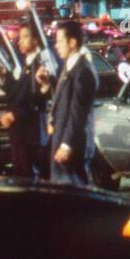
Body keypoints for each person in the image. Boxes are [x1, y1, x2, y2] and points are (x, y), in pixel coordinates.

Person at [41, 20, 98, 185]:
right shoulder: (70, 67)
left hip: (73, 148)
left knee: (74, 198)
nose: (56, 46)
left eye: (59, 41)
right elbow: (64, 101)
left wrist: (67, 145)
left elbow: (77, 113)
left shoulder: (83, 71)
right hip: (63, 143)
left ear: (72, 42)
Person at [0, 25, 49, 179]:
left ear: (36, 40)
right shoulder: (27, 64)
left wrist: (15, 115)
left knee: (30, 177)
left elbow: (37, 100)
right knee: (22, 174)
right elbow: (18, 94)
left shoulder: (40, 65)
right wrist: (3, 77)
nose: (19, 41)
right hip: (21, 133)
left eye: (24, 36)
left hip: (31, 133)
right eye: (19, 37)